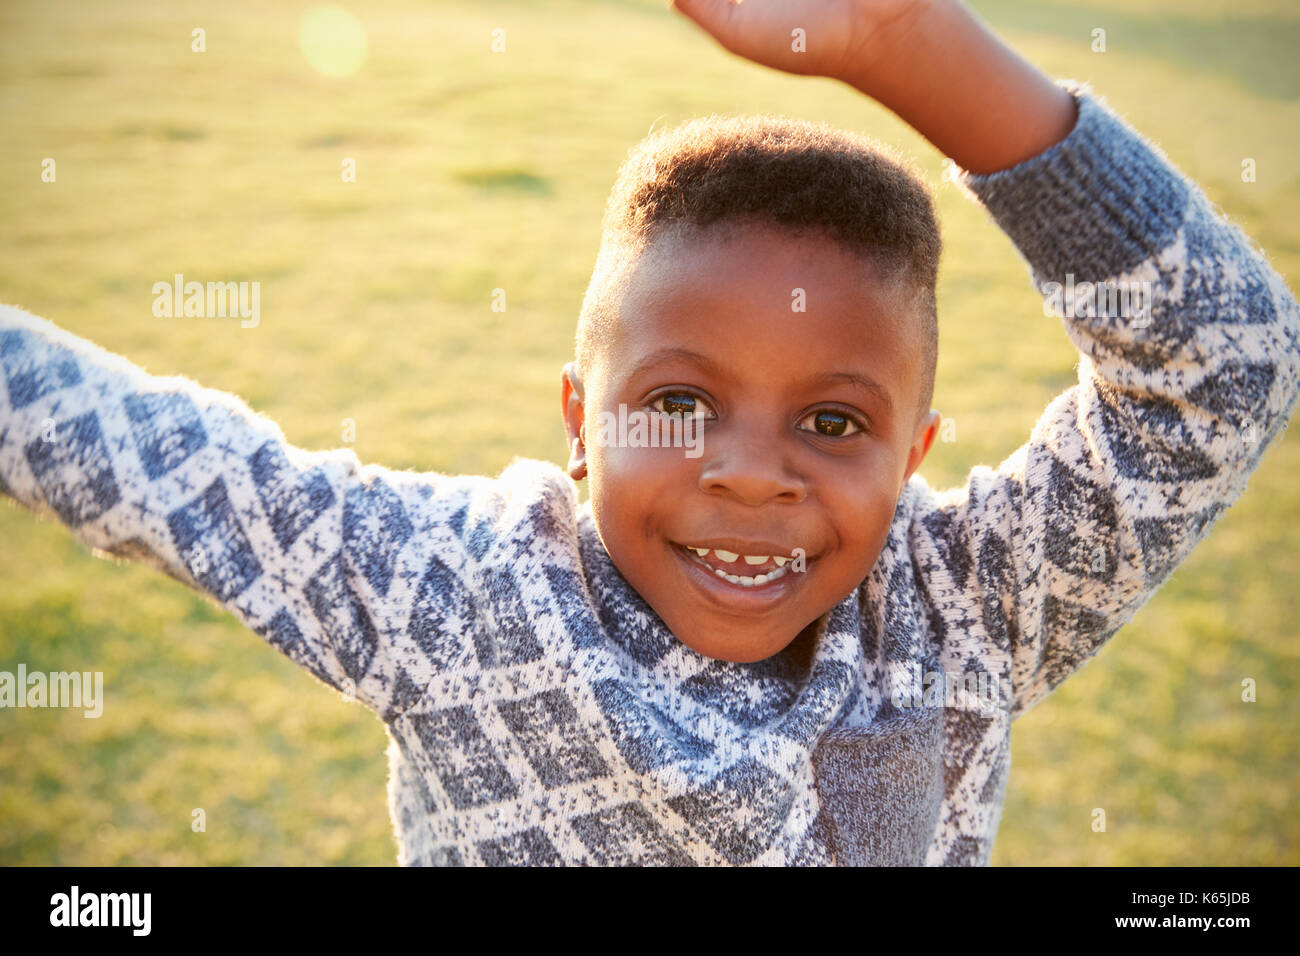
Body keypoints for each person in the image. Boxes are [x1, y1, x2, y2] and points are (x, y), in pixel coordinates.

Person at [2, 0, 1296, 865]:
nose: (748, 471)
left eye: (834, 421)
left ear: (912, 455)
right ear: (580, 418)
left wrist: (907, 40)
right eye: (678, 402)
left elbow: (1223, 369)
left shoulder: (966, 603)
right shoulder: (458, 595)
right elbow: (133, 447)